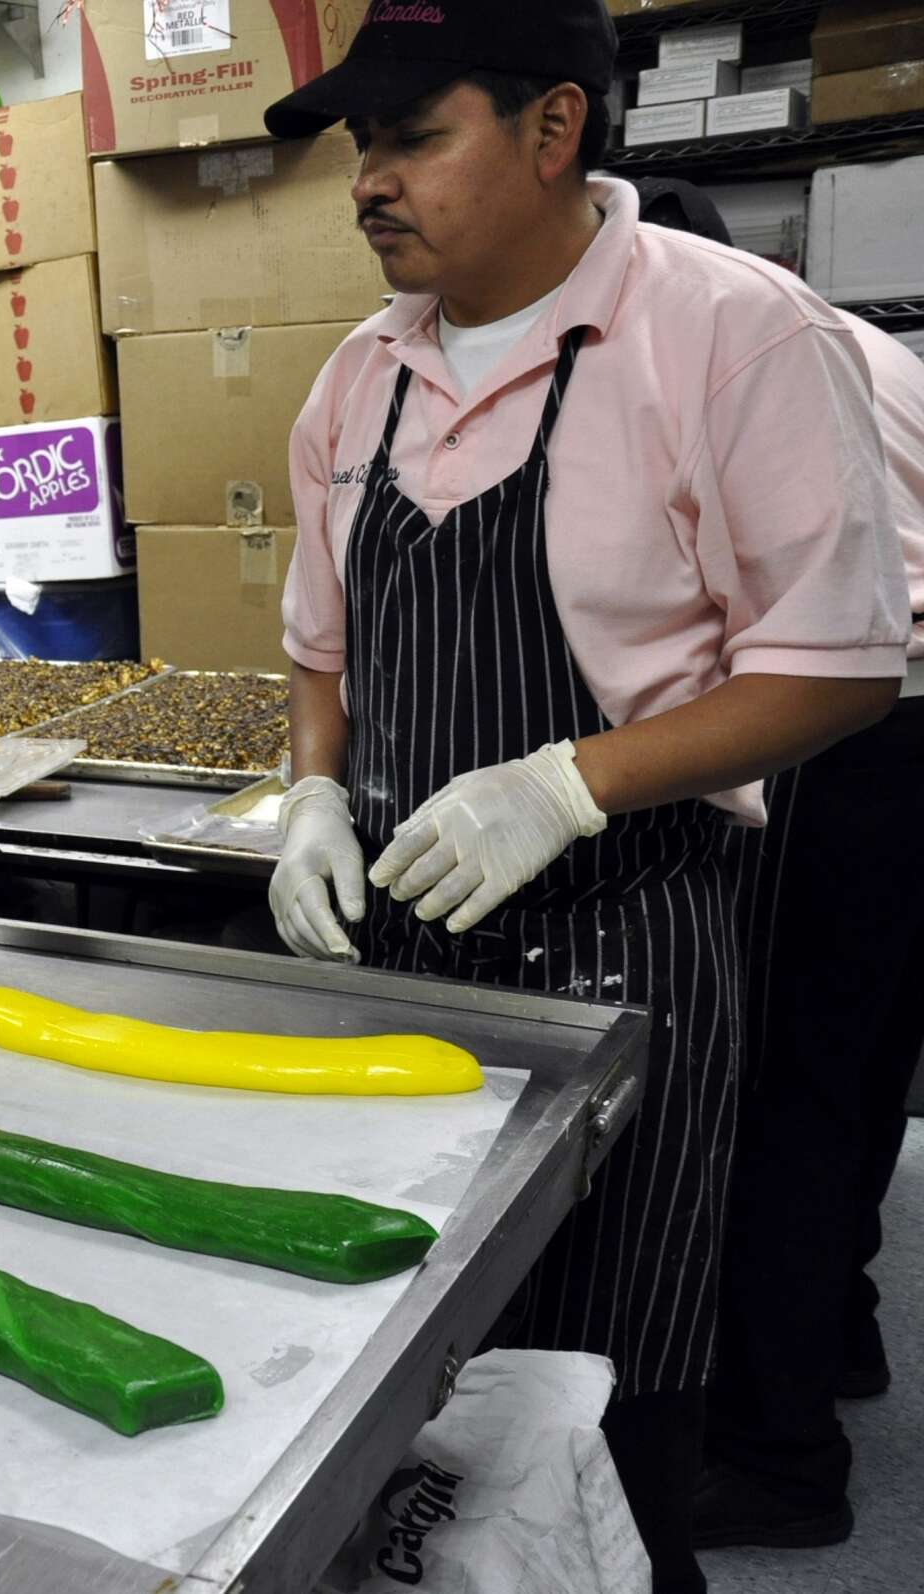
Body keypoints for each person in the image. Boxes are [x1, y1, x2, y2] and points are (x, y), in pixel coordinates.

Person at [257, 6, 909, 1590]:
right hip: (411, 946)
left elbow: (842, 667)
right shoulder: (358, 381)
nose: (369, 183)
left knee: (611, 1384)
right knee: (403, 1357)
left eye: (416, 137)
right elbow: (317, 648)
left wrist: (566, 781)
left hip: (638, 952)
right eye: (362, 147)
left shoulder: (735, 336)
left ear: (555, 128)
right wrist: (313, 798)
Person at [631, 177, 924, 1553]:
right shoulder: (861, 339)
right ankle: (840, 1335)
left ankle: (773, 1455)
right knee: (859, 1063)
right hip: (913, 739)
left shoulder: (721, 357)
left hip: (843, 736)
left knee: (773, 1094)